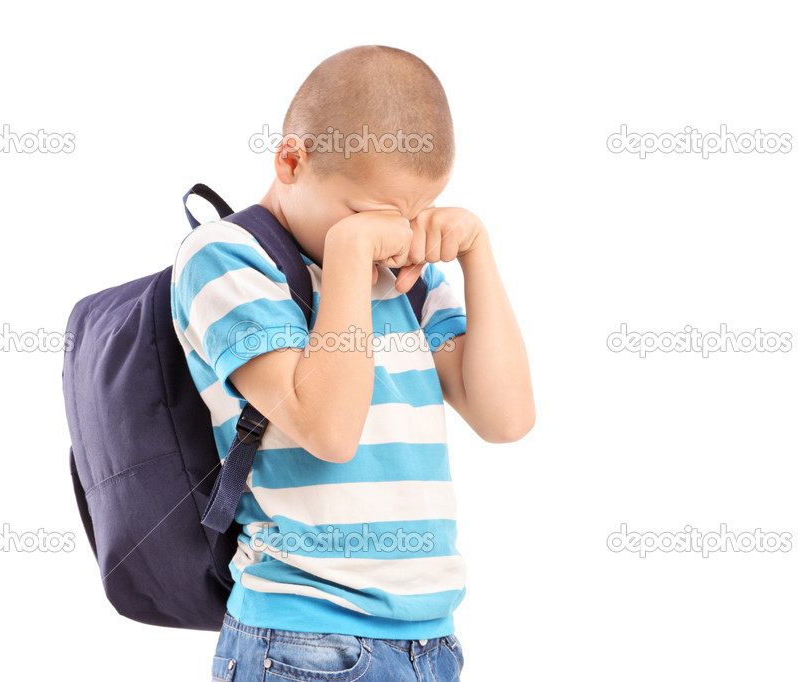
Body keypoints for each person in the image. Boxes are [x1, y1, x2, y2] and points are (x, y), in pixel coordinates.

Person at [171, 44, 535, 682]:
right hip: (301, 637)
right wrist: (348, 254)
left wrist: (476, 253)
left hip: (430, 640)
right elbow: (330, 430)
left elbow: (506, 419)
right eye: (368, 216)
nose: (396, 240)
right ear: (291, 162)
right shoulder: (225, 257)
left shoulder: (404, 280)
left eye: (412, 217)